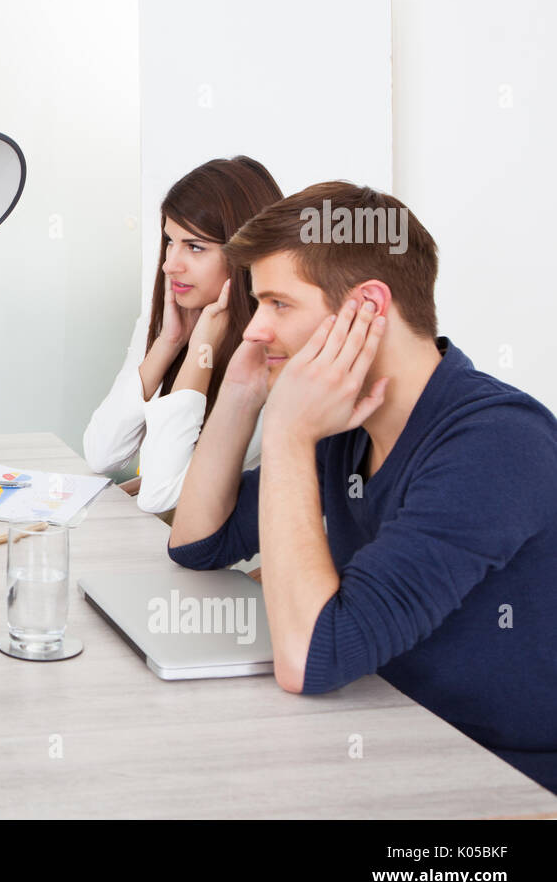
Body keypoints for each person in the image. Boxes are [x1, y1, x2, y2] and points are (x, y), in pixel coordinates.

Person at [167, 181, 557, 794]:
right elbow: (197, 543)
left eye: (278, 304)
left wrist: (290, 434)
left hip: (501, 787)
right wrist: (244, 395)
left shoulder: (497, 442)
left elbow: (314, 657)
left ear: (368, 307)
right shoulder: (349, 426)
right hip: (386, 737)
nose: (254, 330)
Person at [83, 156, 283, 515]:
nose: (169, 264)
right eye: (169, 241)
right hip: (171, 547)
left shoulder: (274, 348)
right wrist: (168, 343)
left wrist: (200, 351)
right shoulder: (173, 316)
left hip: (229, 562)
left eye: (195, 247)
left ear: (245, 258)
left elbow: (163, 494)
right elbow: (102, 453)